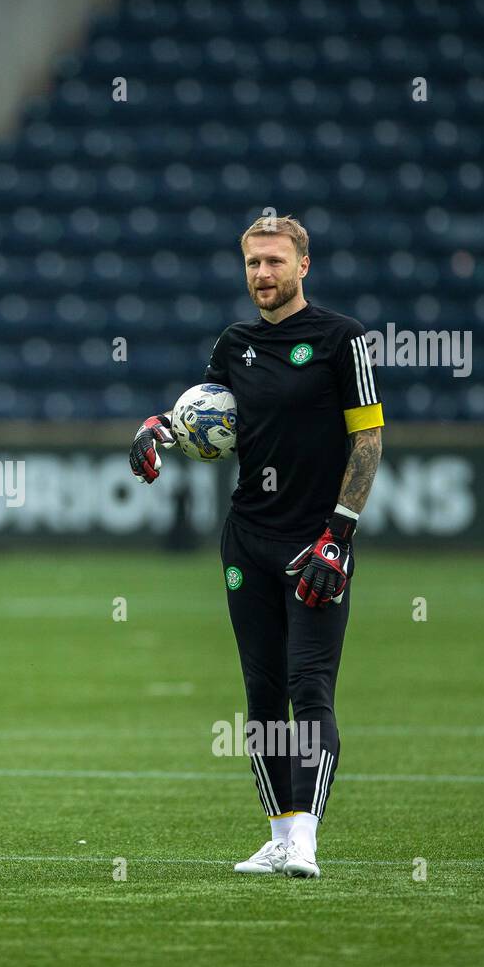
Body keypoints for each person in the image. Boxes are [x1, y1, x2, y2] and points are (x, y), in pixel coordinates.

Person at [130, 215, 384, 879]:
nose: (262, 275)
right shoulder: (235, 344)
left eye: (274, 261)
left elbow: (368, 441)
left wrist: (339, 534)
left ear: (304, 264)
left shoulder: (341, 340)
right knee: (263, 694)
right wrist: (155, 429)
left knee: (310, 688)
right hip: (247, 538)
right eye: (252, 264)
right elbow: (202, 413)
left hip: (316, 544)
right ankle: (277, 834)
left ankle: (306, 837)